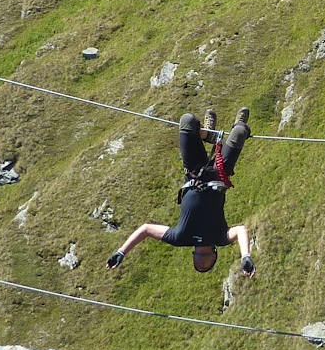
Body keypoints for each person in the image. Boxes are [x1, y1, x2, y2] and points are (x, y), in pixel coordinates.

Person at [106, 107, 254, 276]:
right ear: (214, 255)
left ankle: (207, 134)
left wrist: (121, 252)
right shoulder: (220, 238)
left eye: (198, 265)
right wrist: (246, 256)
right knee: (240, 131)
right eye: (205, 265)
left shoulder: (180, 238)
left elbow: (146, 229)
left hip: (194, 172)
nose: (201, 263)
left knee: (187, 120)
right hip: (219, 174)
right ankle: (223, 130)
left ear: (193, 255)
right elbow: (241, 230)